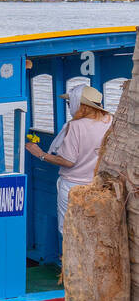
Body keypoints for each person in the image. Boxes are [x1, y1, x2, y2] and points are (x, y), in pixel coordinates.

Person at [25, 85, 113, 234]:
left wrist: (40, 154)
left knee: (70, 231)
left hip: (73, 186)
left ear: (81, 106)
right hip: (99, 186)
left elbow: (68, 161)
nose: (68, 106)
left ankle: (71, 258)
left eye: (69, 103)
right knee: (94, 231)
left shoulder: (75, 126)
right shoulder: (110, 121)